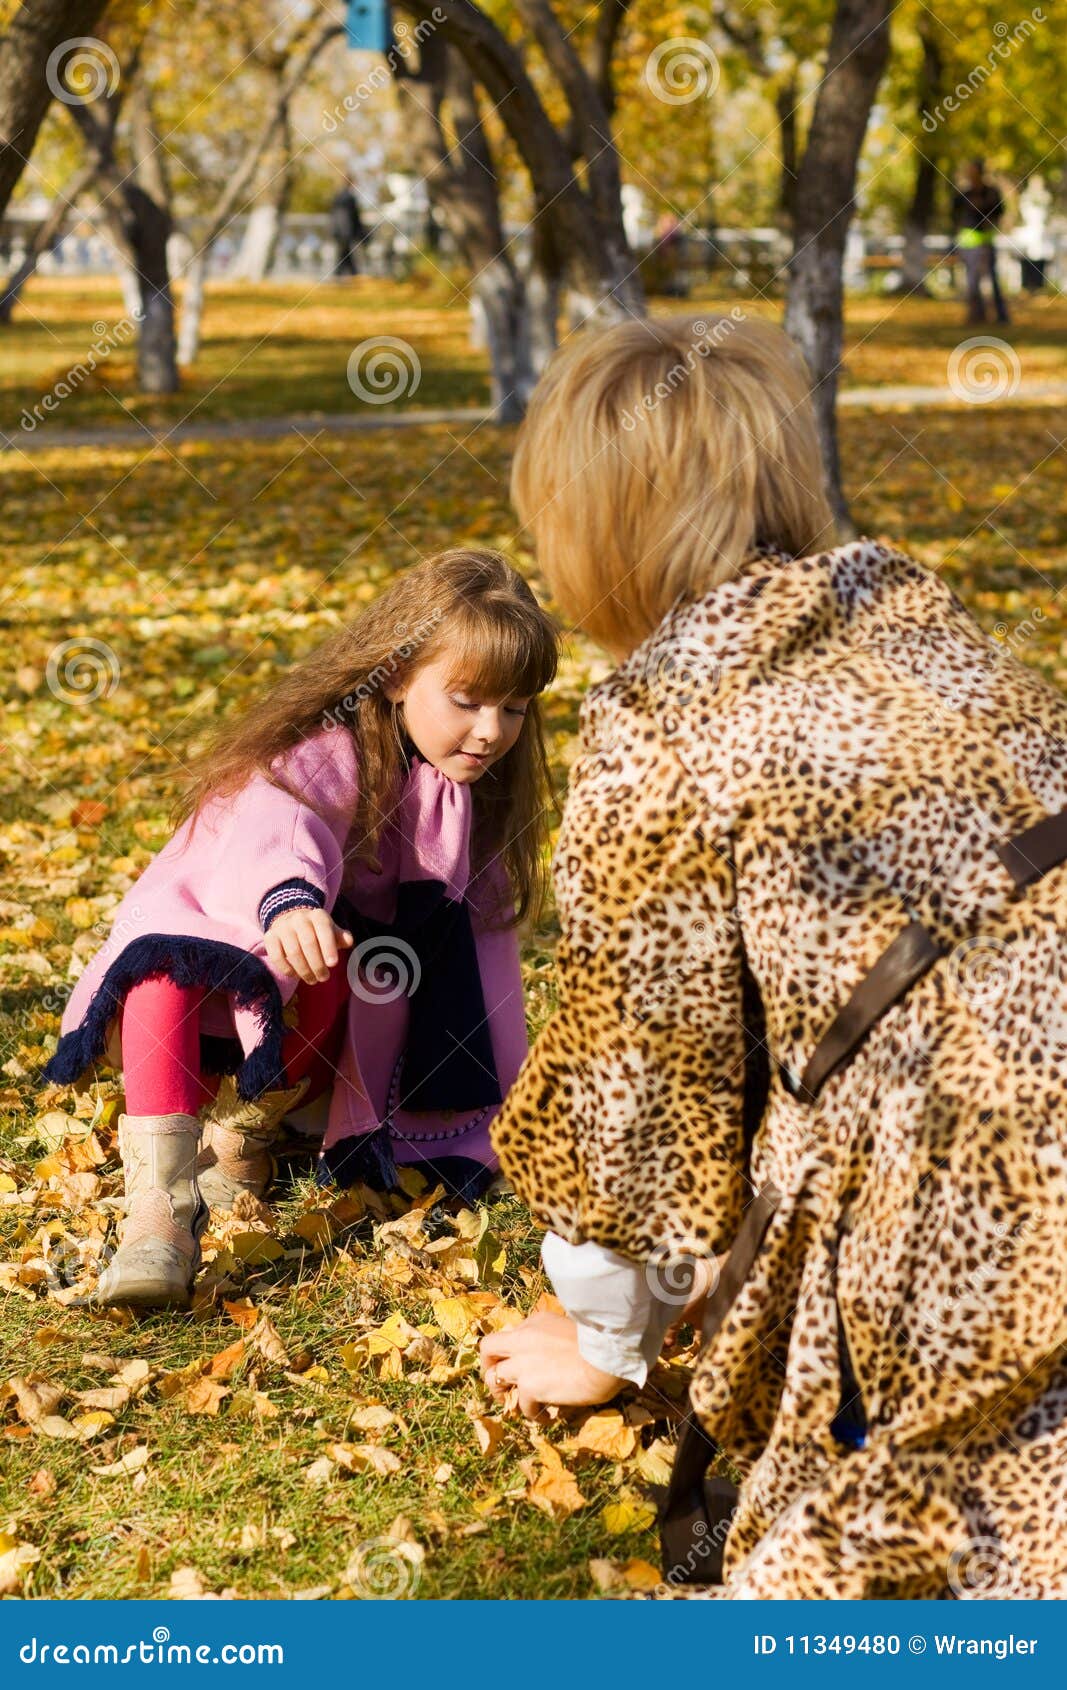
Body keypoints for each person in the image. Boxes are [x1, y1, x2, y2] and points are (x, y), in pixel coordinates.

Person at [479, 314, 1067, 1597]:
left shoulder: (665, 719)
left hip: (974, 1189)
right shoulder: (924, 628)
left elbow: (635, 1084)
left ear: (591, 529)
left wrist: (604, 1333)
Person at [41, 550, 558, 1309]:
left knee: (351, 962)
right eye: (468, 700)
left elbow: (484, 966)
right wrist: (290, 904)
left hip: (319, 1038)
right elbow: (282, 825)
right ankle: (158, 1214)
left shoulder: (460, 802)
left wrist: (501, 1110)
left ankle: (245, 1142)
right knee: (161, 970)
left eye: (513, 708)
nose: (491, 731)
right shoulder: (324, 749)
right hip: (217, 999)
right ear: (395, 673)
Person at [952, 159, 1010, 325]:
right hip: (969, 241)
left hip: (986, 240)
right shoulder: (964, 194)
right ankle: (976, 315)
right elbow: (955, 214)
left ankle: (1001, 316)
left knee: (993, 279)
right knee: (972, 281)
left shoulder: (991, 193)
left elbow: (999, 212)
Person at [331, 180, 366, 277]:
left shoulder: (338, 196)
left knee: (345, 253)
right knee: (344, 253)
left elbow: (333, 215)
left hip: (338, 230)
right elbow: (355, 217)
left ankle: (351, 272)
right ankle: (350, 273)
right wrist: (360, 231)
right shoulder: (350, 198)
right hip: (346, 231)